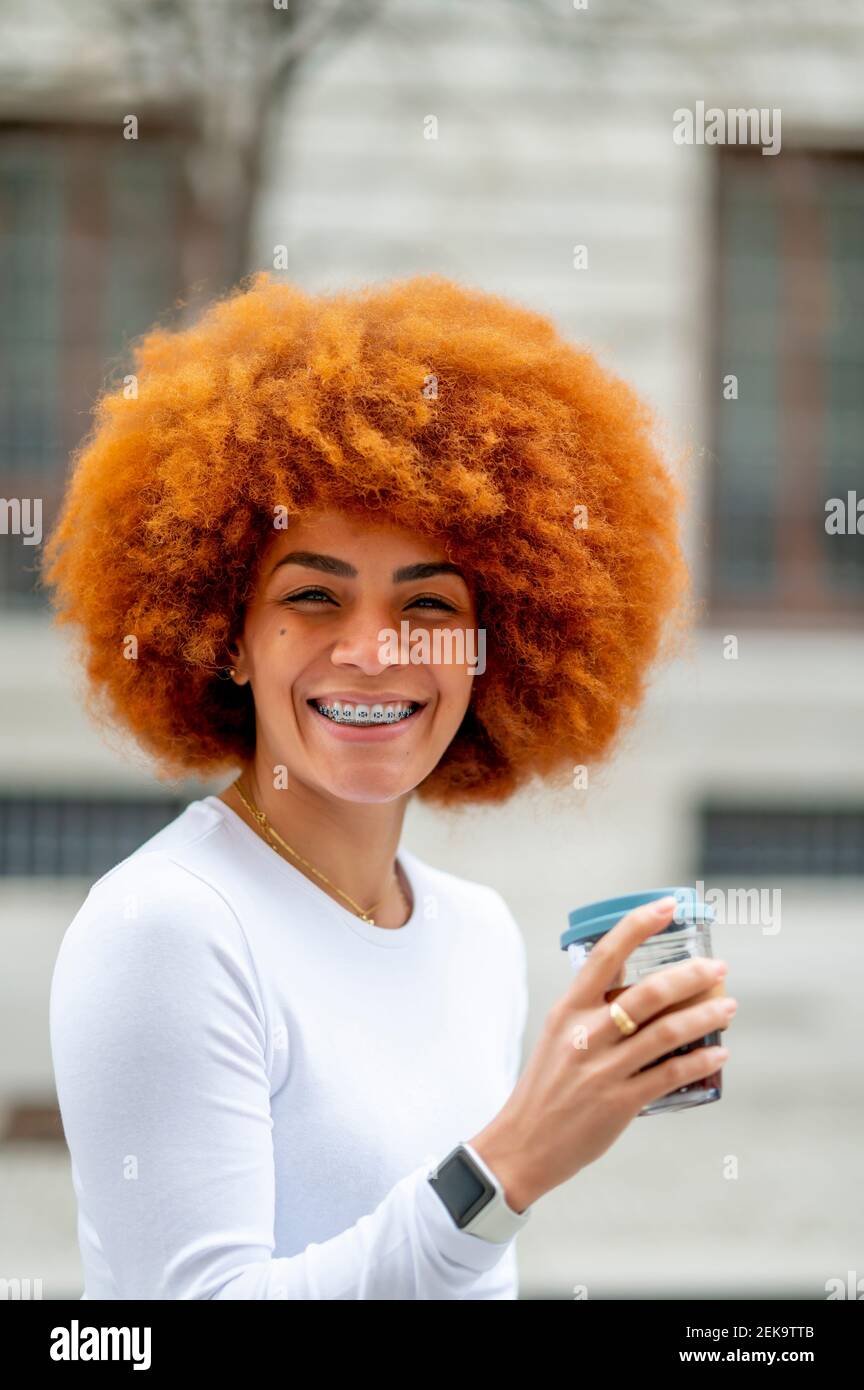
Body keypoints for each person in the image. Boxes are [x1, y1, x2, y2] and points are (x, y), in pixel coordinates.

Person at [41, 271, 735, 1300]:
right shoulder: (170, 924)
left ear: (491, 648)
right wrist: (515, 1159)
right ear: (228, 636)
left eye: (429, 603)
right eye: (313, 595)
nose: (374, 651)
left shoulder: (479, 932)